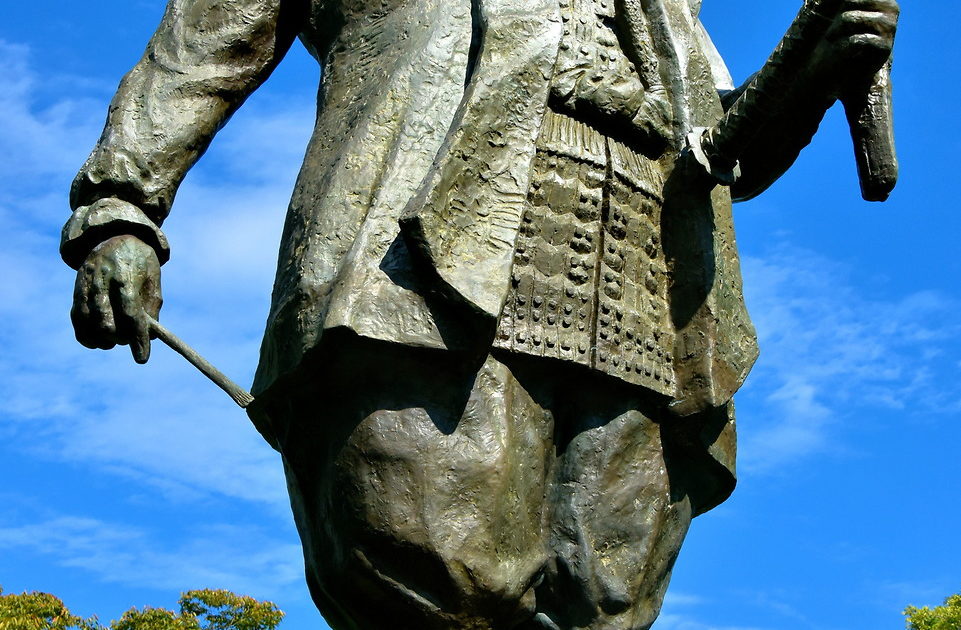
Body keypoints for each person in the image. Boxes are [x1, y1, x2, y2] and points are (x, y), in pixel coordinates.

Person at [62, 0, 899, 628]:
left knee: (604, 601)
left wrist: (809, 65)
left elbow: (723, 153)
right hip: (412, 272)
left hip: (647, 288)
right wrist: (121, 203)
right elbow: (212, 34)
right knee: (434, 579)